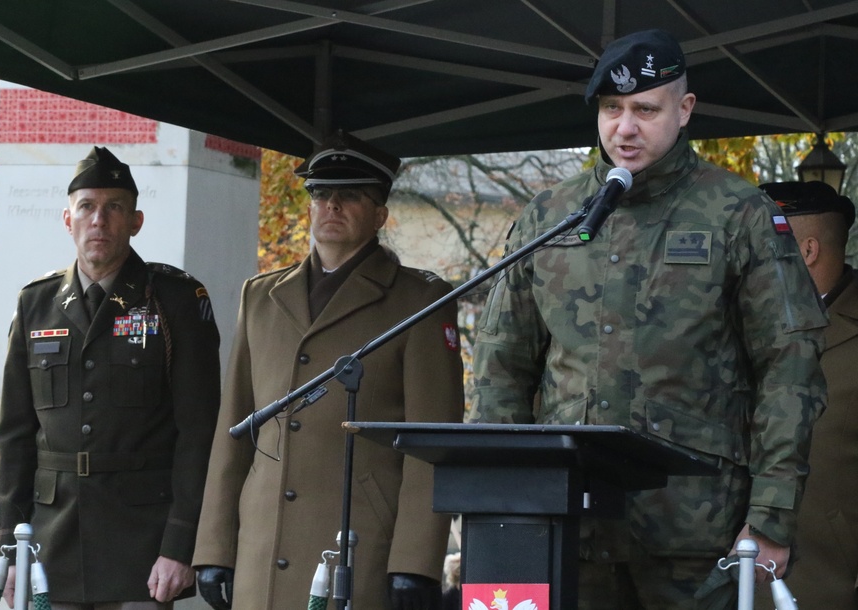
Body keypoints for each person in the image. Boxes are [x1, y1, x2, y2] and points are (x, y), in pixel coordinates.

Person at [469, 29, 828, 609]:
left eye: (644, 109)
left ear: (684, 111)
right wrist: (503, 505)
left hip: (696, 532)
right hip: (569, 522)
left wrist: (771, 516)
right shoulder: (552, 215)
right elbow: (501, 369)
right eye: (612, 109)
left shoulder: (738, 214)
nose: (625, 128)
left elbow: (789, 371)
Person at [192, 131, 465, 610]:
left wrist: (414, 563)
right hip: (261, 546)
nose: (331, 206)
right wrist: (215, 547)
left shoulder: (419, 301)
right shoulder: (260, 296)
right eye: (321, 194)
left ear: (380, 214)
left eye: (350, 196)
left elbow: (432, 444)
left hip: (357, 547)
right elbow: (232, 430)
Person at [0, 147, 222, 609]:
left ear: (135, 221)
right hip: (49, 546)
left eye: (114, 208)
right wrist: (8, 547)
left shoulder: (175, 300)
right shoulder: (35, 304)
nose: (99, 220)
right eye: (87, 207)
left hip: (140, 545)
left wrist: (180, 545)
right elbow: (15, 436)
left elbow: (200, 434)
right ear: (67, 219)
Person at [754, 180, 858, 609]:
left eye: (757, 246)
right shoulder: (736, 320)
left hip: (825, 581)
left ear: (807, 251)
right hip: (728, 580)